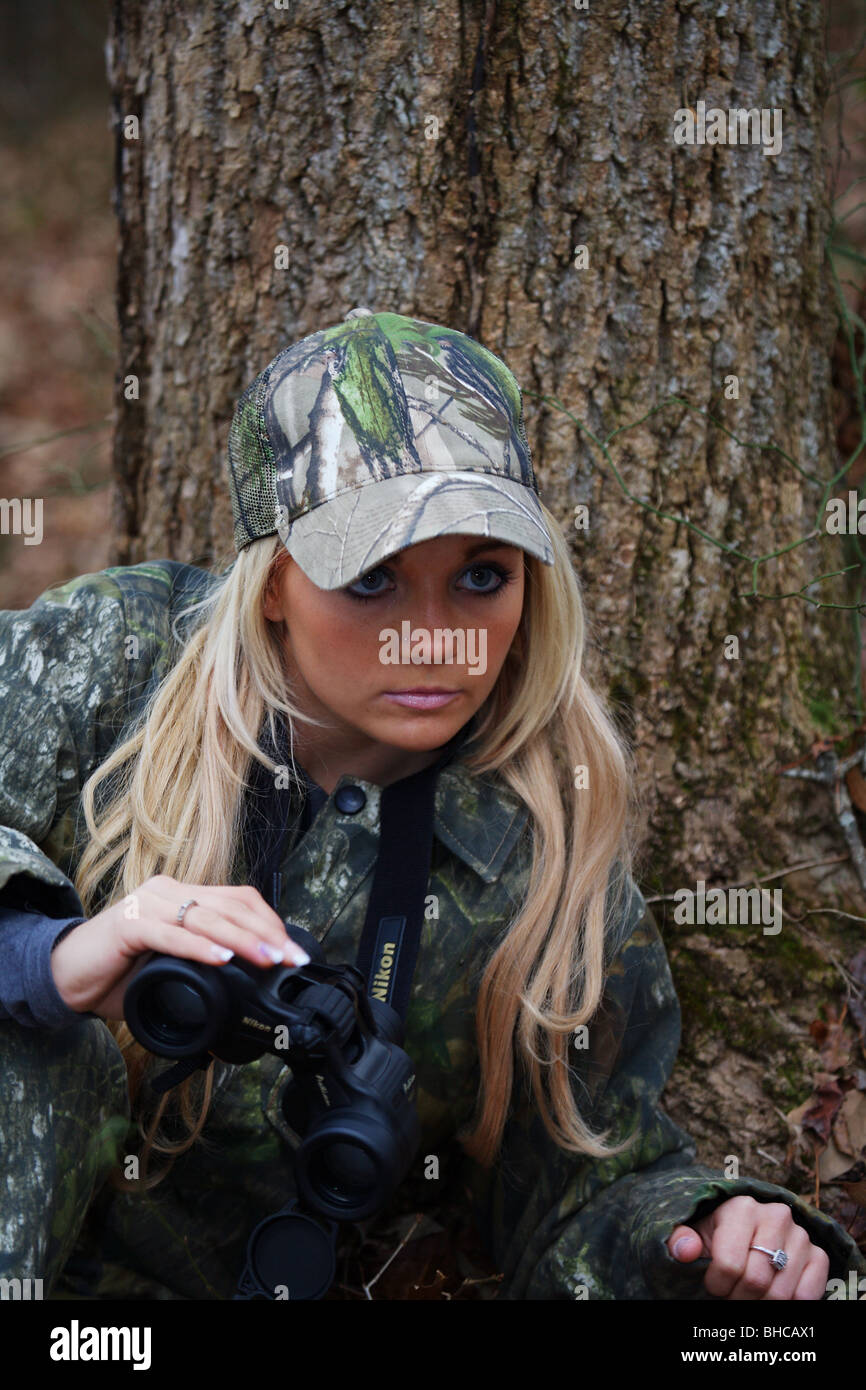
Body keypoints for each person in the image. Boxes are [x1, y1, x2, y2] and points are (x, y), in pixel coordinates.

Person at [0, 307, 862, 1302]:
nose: (435, 638)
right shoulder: (113, 661)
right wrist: (48, 962)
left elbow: (582, 1187)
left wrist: (709, 1240)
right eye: (372, 580)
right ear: (275, 584)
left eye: (480, 577)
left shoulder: (537, 858)